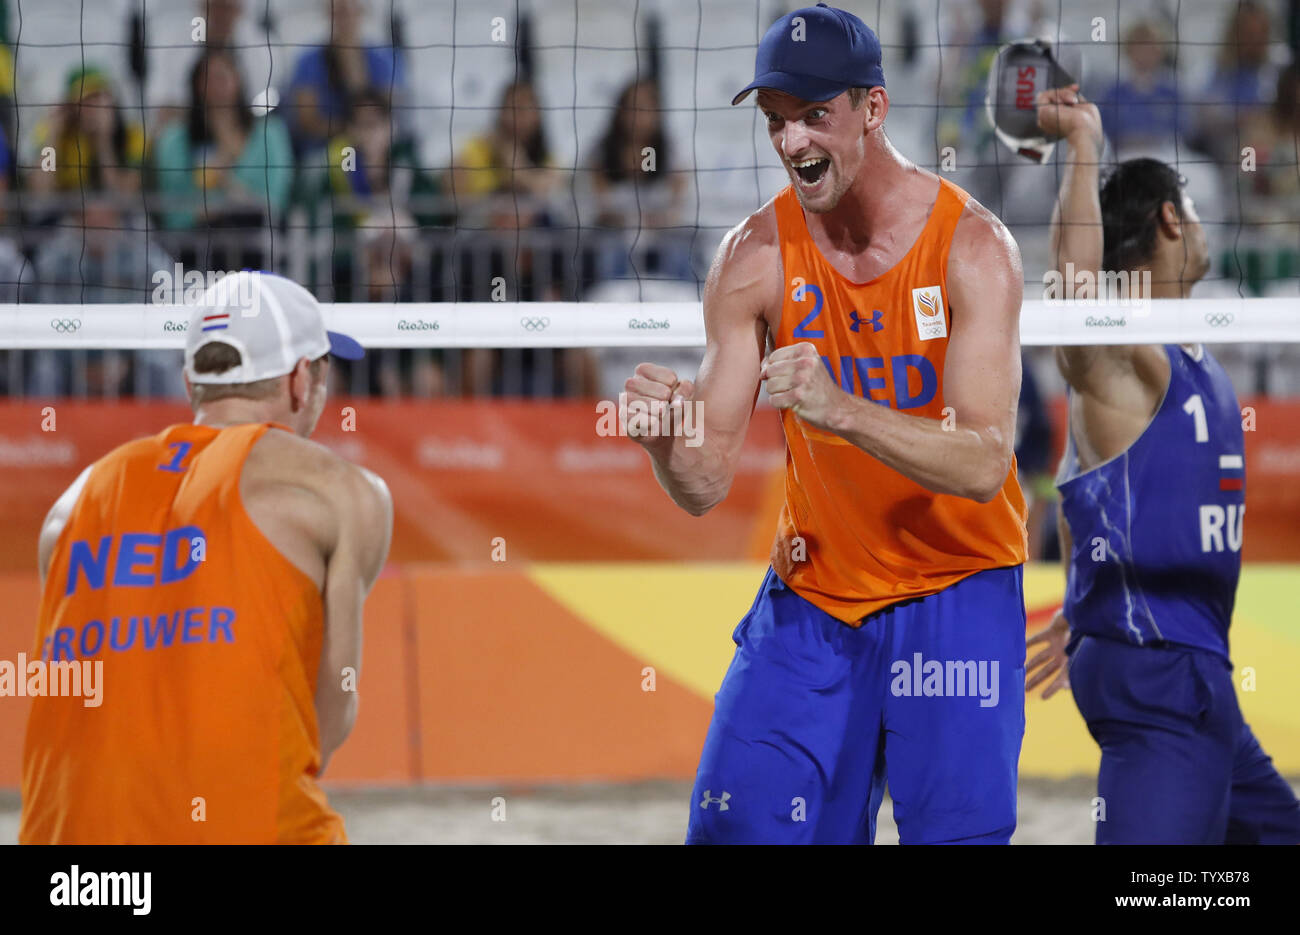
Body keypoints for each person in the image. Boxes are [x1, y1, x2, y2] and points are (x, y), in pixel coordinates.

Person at [624, 4, 1028, 844]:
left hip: (956, 589)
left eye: (815, 116)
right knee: (733, 827)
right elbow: (702, 484)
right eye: (777, 121)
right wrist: (665, 443)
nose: (792, 142)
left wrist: (838, 407)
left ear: (873, 109)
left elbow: (986, 463)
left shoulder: (973, 248)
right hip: (813, 595)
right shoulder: (752, 259)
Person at [19, 271, 393, 844]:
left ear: (191, 379)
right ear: (301, 381)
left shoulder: (71, 506)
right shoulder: (338, 492)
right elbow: (331, 709)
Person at [1025, 85, 1300, 844]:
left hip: (1195, 674)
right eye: (1197, 213)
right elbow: (1075, 298)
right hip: (1158, 673)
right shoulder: (1128, 356)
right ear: (1173, 218)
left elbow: (1091, 479)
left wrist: (1084, 599)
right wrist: (1085, 146)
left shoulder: (1192, 354)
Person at [153, 48, 294, 233]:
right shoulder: (175, 139)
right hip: (196, 242)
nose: (217, 86)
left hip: (256, 241)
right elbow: (174, 211)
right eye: (208, 79)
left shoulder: (271, 133)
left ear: (238, 79)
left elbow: (275, 202)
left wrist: (227, 185)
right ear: (196, 86)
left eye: (223, 75)